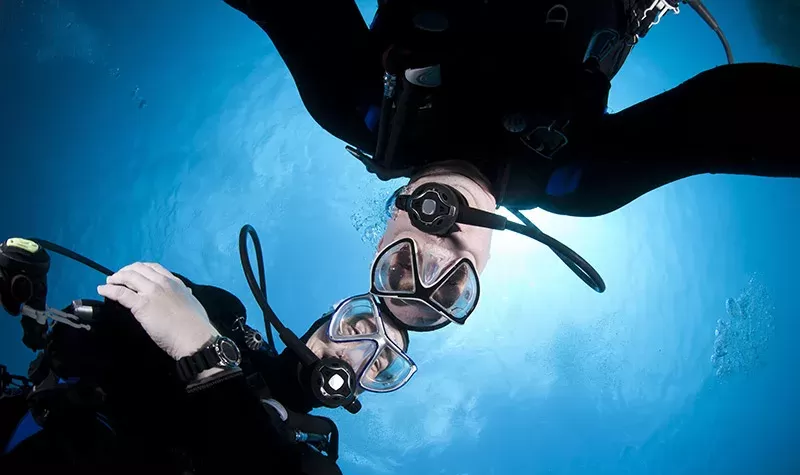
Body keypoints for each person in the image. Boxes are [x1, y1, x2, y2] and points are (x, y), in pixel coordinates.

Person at [222, 0, 800, 330]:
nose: (431, 264)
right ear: (489, 263)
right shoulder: (575, 181)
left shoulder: (358, 107)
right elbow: (725, 121)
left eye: (398, 272)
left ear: (382, 236)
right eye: (452, 293)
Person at [0, 232, 415, 475]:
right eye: (358, 325)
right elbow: (97, 332)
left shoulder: (311, 473)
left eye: (380, 366)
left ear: (363, 392)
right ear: (327, 320)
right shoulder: (217, 313)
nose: (356, 353)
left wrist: (204, 356)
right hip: (38, 444)